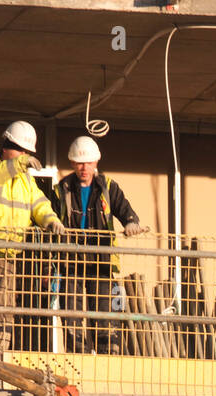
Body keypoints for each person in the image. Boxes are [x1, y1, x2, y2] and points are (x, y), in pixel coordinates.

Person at [0, 120, 64, 351]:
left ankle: (1, 354)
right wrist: (19, 164)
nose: (24, 156)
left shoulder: (25, 180)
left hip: (8, 254)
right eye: (20, 151)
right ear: (6, 147)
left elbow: (39, 203)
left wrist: (51, 220)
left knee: (5, 310)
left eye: (26, 153)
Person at [53, 136, 147, 353]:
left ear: (96, 161)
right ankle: (78, 358)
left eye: (88, 162)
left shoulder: (108, 187)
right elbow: (50, 217)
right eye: (79, 163)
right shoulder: (62, 189)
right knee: (72, 317)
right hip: (71, 263)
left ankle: (106, 358)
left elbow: (124, 208)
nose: (84, 168)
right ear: (72, 163)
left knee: (105, 317)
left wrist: (131, 223)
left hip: (101, 262)